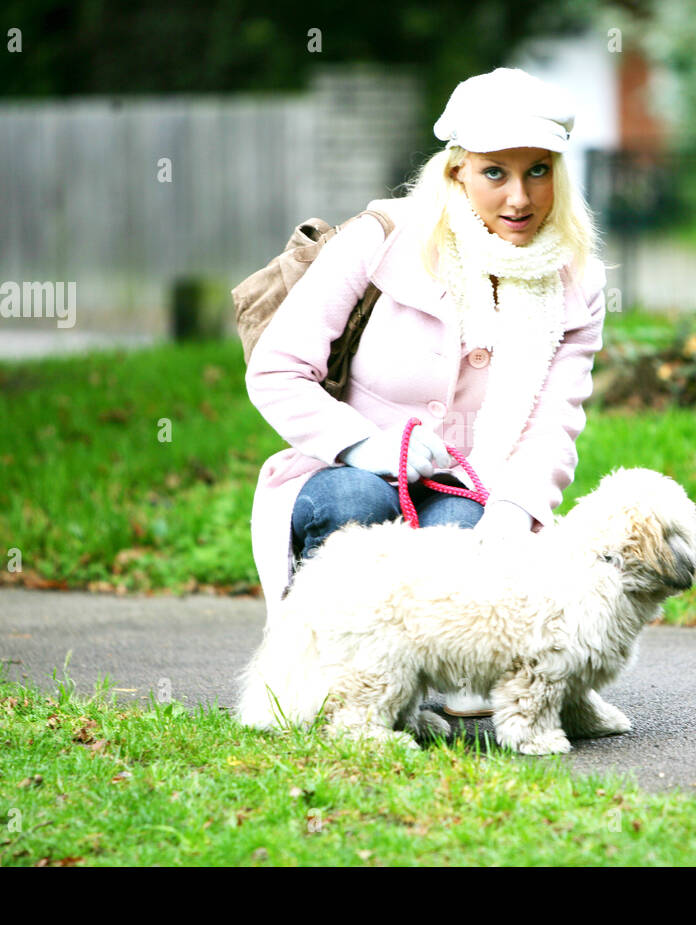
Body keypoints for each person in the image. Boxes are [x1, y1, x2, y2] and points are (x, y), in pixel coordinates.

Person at [245, 67, 607, 715]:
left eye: (538, 170)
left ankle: (421, 686)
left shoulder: (575, 280)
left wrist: (514, 509)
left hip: (470, 486)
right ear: (456, 172)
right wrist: (363, 446)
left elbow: (556, 424)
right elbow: (275, 369)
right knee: (354, 501)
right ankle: (319, 668)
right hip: (339, 471)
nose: (520, 198)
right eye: (495, 171)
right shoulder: (381, 240)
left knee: (463, 534)